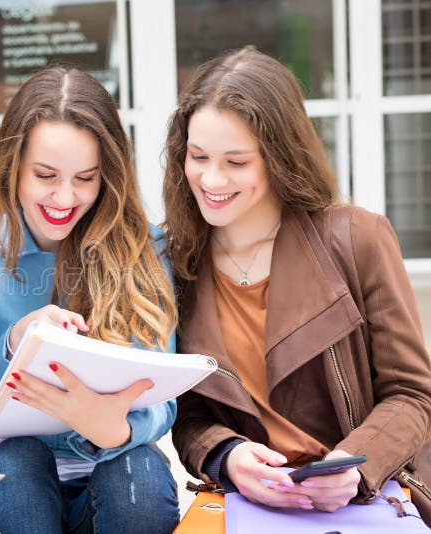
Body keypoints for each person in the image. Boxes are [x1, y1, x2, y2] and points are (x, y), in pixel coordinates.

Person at [164, 48, 431, 523]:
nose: (211, 178)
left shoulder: (359, 238)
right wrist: (227, 456)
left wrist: (356, 466)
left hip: (367, 501)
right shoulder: (176, 261)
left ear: (279, 157)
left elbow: (412, 395)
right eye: (198, 156)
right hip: (247, 507)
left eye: (236, 162)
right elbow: (185, 415)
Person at [0, 66, 180, 533]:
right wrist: (16, 340)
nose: (65, 197)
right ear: (13, 166)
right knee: (16, 461)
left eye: (85, 178)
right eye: (45, 175)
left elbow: (163, 395)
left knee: (138, 470)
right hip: (20, 481)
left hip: (116, 462)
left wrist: (115, 430)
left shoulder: (145, 249)